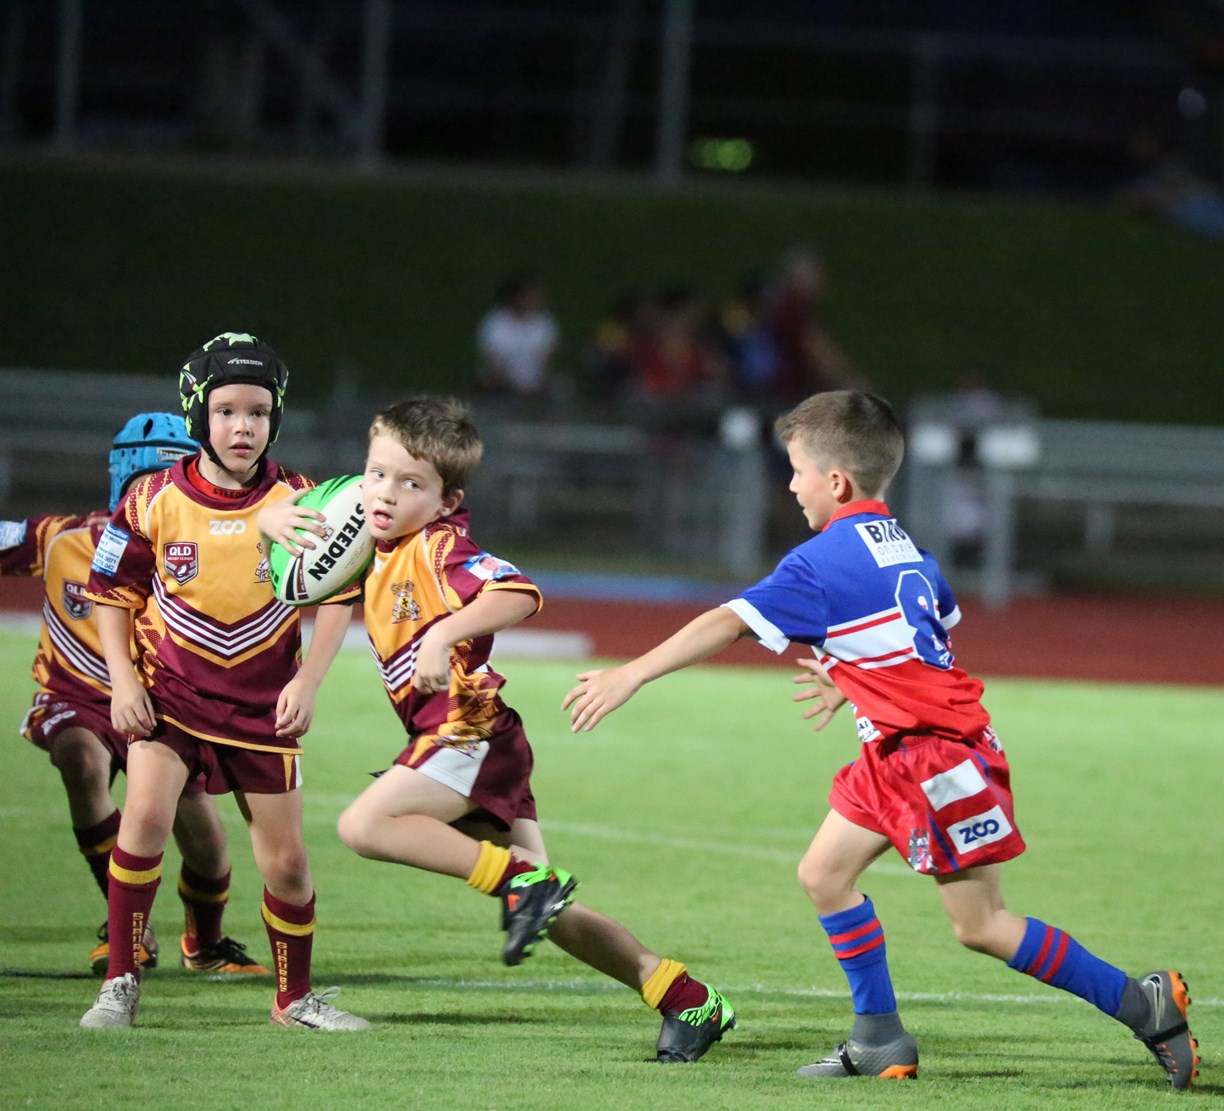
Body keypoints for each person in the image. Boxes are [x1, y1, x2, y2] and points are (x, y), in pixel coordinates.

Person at [563, 389, 1199, 1090]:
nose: (791, 483)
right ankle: (879, 1038)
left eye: (798, 468)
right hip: (895, 750)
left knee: (982, 924)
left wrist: (632, 673)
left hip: (937, 758)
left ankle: (1143, 1003)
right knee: (825, 874)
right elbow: (930, 632)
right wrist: (852, 676)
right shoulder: (906, 547)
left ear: (835, 481)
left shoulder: (821, 558)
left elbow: (727, 620)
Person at [256, 395, 736, 1062]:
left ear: (447, 500)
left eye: (410, 482)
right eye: (375, 473)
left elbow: (518, 590)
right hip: (470, 736)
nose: (384, 493)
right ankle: (686, 997)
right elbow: (301, 520)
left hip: (466, 728)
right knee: (559, 917)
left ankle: (522, 883)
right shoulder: (377, 533)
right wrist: (270, 514)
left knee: (363, 826)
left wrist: (445, 632)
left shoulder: (439, 544)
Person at [79, 332, 368, 1031]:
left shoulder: (304, 497)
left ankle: (292, 999)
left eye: (260, 413)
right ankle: (120, 983)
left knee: (289, 864)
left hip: (265, 708)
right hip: (171, 697)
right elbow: (111, 596)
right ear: (197, 414)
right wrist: (122, 682)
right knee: (145, 818)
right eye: (228, 410)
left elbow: (336, 596)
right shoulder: (152, 498)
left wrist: (309, 681)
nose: (244, 426)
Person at [1, 412, 268, 978]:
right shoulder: (61, 538)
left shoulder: (206, 541)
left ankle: (206, 941)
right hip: (80, 698)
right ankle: (130, 928)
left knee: (207, 844)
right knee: (79, 755)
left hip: (166, 705)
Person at [475, 274, 560, 403]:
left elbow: (548, 357)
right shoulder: (496, 320)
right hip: (502, 379)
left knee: (561, 388)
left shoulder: (545, 321)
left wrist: (537, 381)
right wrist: (509, 381)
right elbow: (490, 356)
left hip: (535, 381)